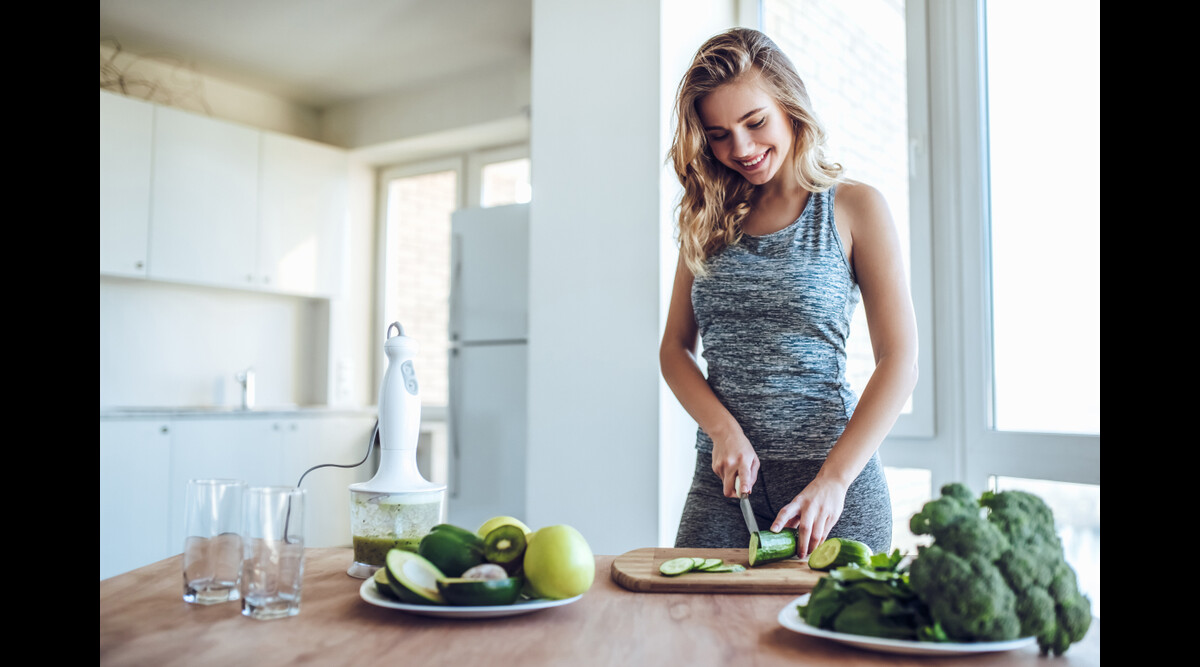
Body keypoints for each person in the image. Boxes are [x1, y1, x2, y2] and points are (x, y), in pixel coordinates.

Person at [661, 27, 919, 559]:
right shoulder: (703, 218)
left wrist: (835, 480)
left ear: (789, 106)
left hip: (831, 487)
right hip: (724, 488)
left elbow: (901, 359)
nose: (742, 148)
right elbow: (674, 350)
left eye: (755, 123)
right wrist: (722, 430)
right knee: (697, 635)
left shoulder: (854, 208)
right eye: (718, 134)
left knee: (828, 642)